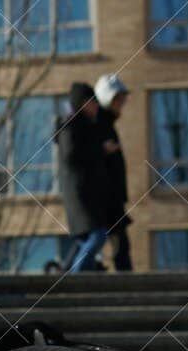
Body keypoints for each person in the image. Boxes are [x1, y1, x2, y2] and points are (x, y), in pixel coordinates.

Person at [56, 81, 114, 274]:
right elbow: (71, 156)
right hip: (80, 193)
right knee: (98, 236)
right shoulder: (70, 126)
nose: (96, 106)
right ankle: (75, 278)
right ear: (82, 103)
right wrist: (101, 149)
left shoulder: (86, 126)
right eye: (93, 102)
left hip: (87, 192)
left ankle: (67, 273)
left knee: (84, 239)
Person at [94, 73, 133, 272]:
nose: (122, 104)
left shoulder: (106, 123)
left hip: (111, 196)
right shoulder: (100, 124)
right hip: (106, 197)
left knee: (110, 242)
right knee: (117, 244)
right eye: (119, 99)